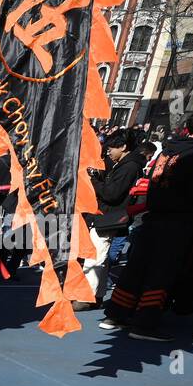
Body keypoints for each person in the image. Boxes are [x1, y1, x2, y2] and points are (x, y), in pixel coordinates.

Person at [103, 113, 193, 341]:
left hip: (154, 215)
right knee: (162, 272)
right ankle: (144, 323)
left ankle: (116, 314)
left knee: (137, 268)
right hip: (177, 219)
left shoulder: (167, 149)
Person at [79, 129, 145, 310]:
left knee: (96, 256)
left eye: (111, 148)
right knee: (101, 256)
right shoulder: (125, 164)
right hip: (109, 215)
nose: (108, 151)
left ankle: (87, 296)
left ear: (123, 147)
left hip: (110, 215)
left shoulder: (129, 166)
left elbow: (112, 193)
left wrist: (93, 182)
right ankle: (97, 293)